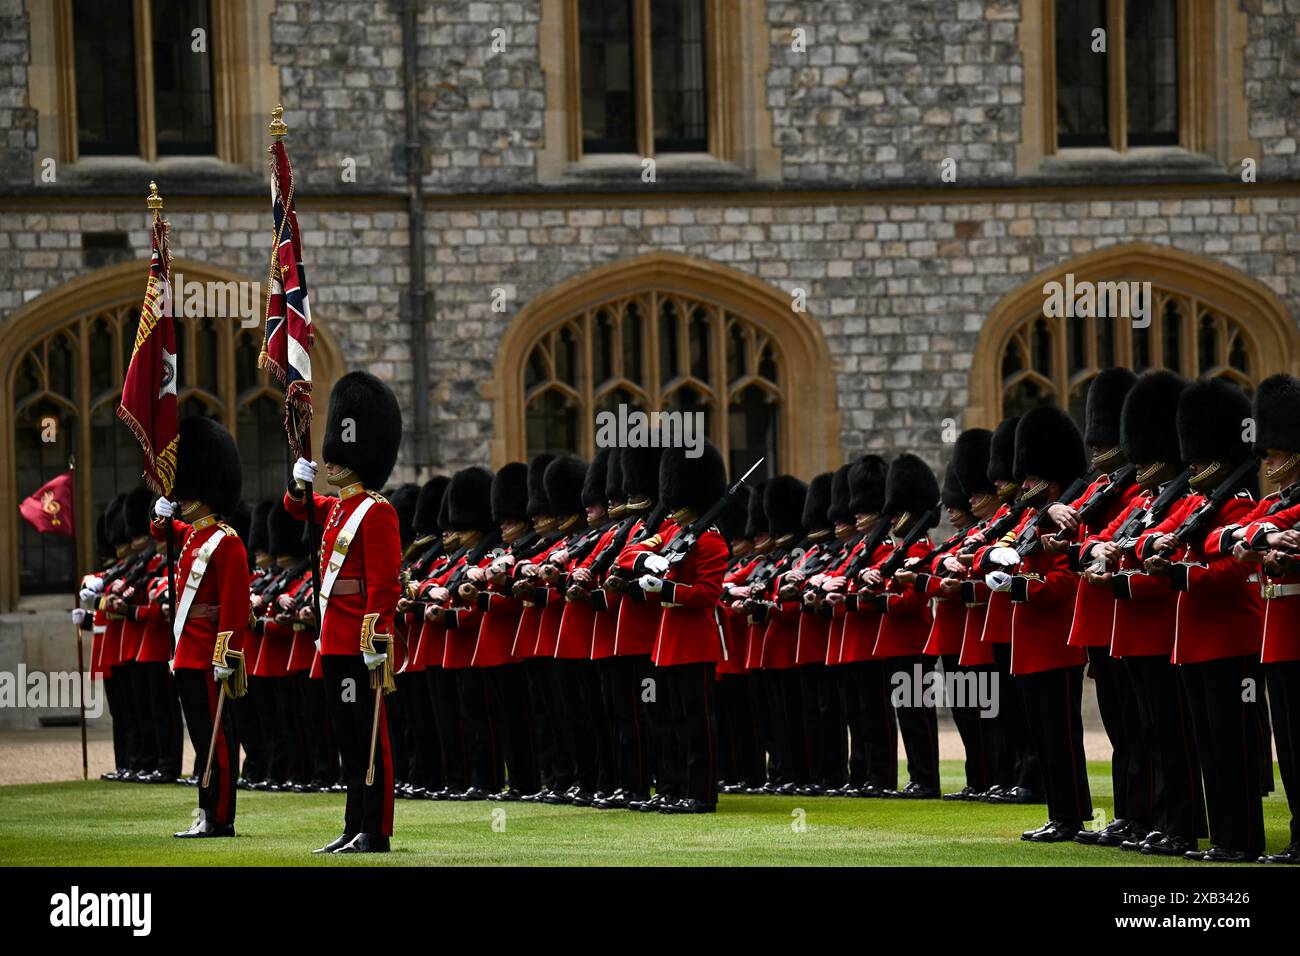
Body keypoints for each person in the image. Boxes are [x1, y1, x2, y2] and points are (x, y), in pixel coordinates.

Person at [288, 371, 403, 854]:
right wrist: (297, 486)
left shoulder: (376, 512)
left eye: (336, 454)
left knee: (369, 738)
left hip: (360, 644)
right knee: (349, 744)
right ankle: (352, 823)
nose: (329, 461)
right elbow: (300, 510)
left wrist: (378, 642)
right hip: (333, 643)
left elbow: (384, 586)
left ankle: (374, 829)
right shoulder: (338, 509)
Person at [152, 417, 250, 838]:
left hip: (209, 655)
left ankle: (220, 815)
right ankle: (206, 809)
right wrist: (159, 512)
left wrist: (226, 657)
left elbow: (234, 606)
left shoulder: (225, 541)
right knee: (201, 738)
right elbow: (165, 532)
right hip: (186, 654)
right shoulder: (194, 537)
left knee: (218, 740)